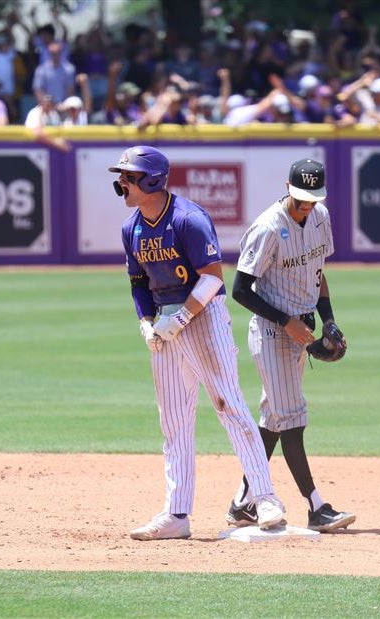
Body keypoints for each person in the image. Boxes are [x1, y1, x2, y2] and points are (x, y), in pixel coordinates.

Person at [113, 145, 287, 541]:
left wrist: (181, 318)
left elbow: (212, 279)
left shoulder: (188, 219)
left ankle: (264, 498)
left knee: (229, 405)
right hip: (165, 327)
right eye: (122, 175)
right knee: (173, 419)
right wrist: (146, 323)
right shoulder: (132, 228)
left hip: (204, 317)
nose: (122, 182)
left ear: (152, 180)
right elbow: (139, 282)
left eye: (129, 175)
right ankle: (176, 514)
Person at [224, 159, 357, 533]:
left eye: (312, 199)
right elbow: (239, 290)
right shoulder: (268, 228)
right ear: (287, 188)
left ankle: (241, 504)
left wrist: (328, 319)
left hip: (302, 329)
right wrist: (287, 322)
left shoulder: (320, 217)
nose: (306, 206)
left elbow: (318, 274)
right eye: (300, 199)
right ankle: (317, 506)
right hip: (271, 333)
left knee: (275, 419)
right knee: (293, 417)